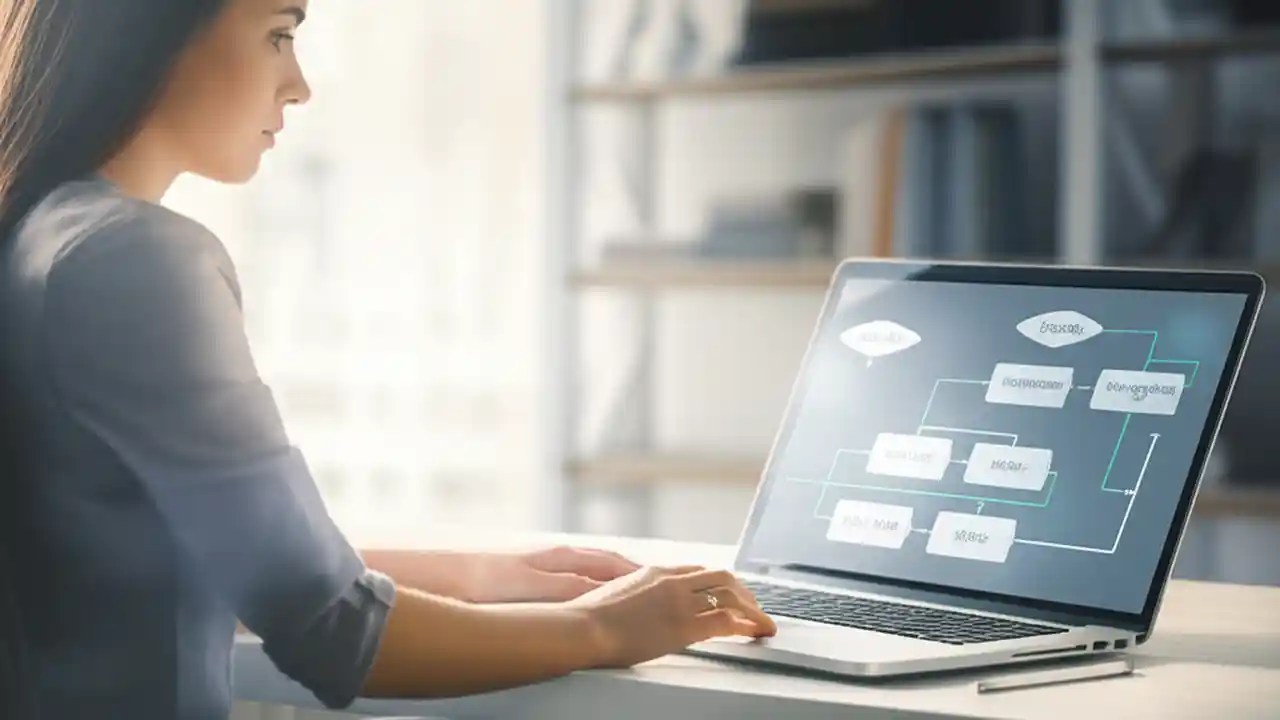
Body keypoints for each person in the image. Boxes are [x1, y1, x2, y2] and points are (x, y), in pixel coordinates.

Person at [0, 1, 777, 718]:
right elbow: (333, 630)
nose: (298, 86)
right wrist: (605, 627)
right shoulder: (131, 258)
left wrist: (484, 576)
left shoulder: (40, 234)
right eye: (280, 33)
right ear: (154, 30)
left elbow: (187, 553)